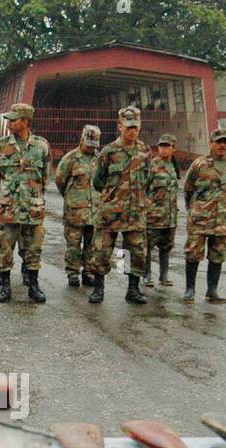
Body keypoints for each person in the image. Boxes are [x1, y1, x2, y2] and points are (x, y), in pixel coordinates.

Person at [88, 105, 150, 305]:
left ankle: (132, 289)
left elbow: (147, 179)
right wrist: (113, 197)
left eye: (136, 127)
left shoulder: (144, 151)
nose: (132, 131)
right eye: (128, 126)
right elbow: (97, 181)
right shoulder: (109, 151)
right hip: (110, 213)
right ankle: (99, 289)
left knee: (136, 252)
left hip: (135, 212)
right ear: (119, 126)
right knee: (103, 252)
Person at [0, 102, 50, 303]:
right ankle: (5, 286)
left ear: (25, 122)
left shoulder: (41, 146)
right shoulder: (1, 145)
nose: (9, 123)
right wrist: (8, 195)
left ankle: (33, 285)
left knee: (33, 247)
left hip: (33, 208)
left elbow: (45, 177)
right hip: (9, 208)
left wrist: (33, 196)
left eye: (13, 120)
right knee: (5, 246)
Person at [182, 129, 226, 304]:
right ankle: (189, 289)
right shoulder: (199, 164)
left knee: (218, 254)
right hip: (200, 218)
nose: (222, 145)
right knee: (193, 254)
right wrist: (193, 210)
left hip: (222, 220)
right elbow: (188, 189)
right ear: (211, 143)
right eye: (218, 142)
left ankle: (212, 290)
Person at [54, 125, 99, 289]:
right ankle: (73, 273)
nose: (91, 148)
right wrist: (70, 198)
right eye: (88, 144)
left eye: (94, 145)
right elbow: (60, 180)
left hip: (94, 211)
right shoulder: (70, 159)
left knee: (91, 245)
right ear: (81, 140)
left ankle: (88, 272)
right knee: (73, 246)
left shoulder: (99, 159)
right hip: (75, 211)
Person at [143, 134, 180, 290]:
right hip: (154, 215)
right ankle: (146, 276)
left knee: (166, 246)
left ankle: (164, 276)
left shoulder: (173, 167)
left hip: (170, 216)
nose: (163, 149)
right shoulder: (153, 165)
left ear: (173, 148)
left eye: (167, 146)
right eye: (161, 146)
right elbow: (143, 188)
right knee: (148, 246)